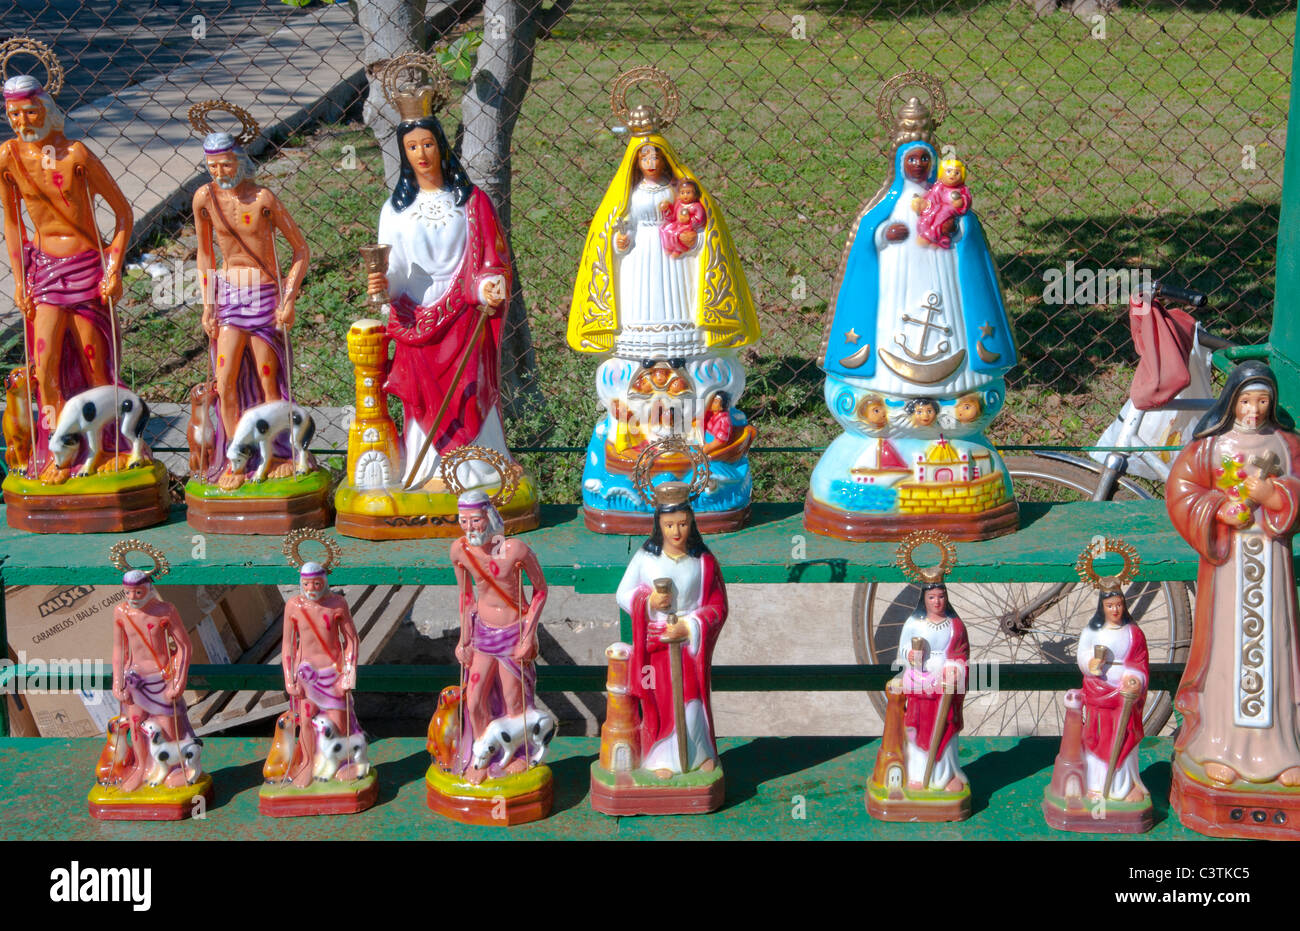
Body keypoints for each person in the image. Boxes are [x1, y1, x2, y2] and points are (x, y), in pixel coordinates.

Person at [1166, 360, 1300, 790]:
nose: (1255, 410)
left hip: (1273, 563)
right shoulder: (1211, 446)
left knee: (1273, 649)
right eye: (1247, 400)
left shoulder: (1286, 443)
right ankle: (1218, 746)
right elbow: (1182, 490)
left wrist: (1275, 495)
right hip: (1229, 566)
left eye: (1263, 400)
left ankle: (1280, 750)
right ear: (1232, 400)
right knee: (1230, 651)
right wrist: (1219, 509)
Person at [367, 103, 512, 489]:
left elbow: (491, 260)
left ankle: (480, 472)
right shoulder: (396, 211)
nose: (422, 155)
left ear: (441, 146)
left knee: (469, 391)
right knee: (422, 399)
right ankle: (429, 471)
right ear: (404, 154)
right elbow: (394, 271)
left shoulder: (470, 202)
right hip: (416, 318)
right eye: (412, 147)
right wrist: (384, 286)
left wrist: (487, 286)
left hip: (466, 313)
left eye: (428, 144)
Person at [1, 71, 133, 479]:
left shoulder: (76, 155)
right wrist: (20, 279)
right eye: (14, 114)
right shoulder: (7, 157)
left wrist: (113, 266)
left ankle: (108, 446)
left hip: (86, 269)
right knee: (46, 368)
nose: (23, 122)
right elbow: (12, 225)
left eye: (31, 111)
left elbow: (123, 212)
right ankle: (60, 451)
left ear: (49, 110)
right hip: (43, 273)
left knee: (96, 366)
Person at [191, 112, 309, 487]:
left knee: (267, 379)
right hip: (228, 298)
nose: (219, 172)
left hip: (263, 297)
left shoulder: (263, 199)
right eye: (212, 166)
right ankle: (235, 459)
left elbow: (301, 250)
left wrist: (288, 299)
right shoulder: (205, 198)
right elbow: (205, 254)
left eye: (225, 164)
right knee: (223, 381)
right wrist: (208, 304)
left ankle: (277, 454)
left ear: (240, 161)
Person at [615, 485, 728, 776]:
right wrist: (648, 601)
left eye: (682, 523)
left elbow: (718, 606)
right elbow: (623, 593)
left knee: (693, 702)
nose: (676, 531)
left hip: (689, 647)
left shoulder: (703, 561)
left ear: (691, 523)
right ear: (659, 525)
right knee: (662, 701)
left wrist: (690, 626)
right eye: (669, 525)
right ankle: (661, 758)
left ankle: (698, 753)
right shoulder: (646, 558)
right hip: (657, 647)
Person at [451, 490, 548, 784]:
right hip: (482, 634)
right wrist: (463, 639)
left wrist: (529, 636)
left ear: (490, 518)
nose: (470, 528)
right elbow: (466, 597)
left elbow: (541, 590)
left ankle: (518, 754)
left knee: (512, 700)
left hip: (512, 633)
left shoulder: (516, 550)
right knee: (474, 699)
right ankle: (482, 755)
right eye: (464, 521)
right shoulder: (460, 551)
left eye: (476, 520)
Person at [111, 570, 199, 791]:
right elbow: (119, 649)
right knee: (136, 724)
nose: (132, 597)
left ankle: (176, 768)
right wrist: (117, 681)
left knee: (169, 727)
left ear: (149, 587)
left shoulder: (165, 611)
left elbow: (184, 646)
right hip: (134, 678)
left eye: (137, 591)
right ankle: (142, 767)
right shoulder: (121, 612)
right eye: (127, 592)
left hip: (161, 679)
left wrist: (178, 681)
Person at [282, 560, 363, 786]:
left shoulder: (338, 604)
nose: (311, 589)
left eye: (317, 583)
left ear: (325, 582)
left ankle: (341, 762)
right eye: (307, 584)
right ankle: (308, 763)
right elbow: (287, 646)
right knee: (306, 720)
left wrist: (349, 675)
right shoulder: (294, 606)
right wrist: (289, 679)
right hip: (306, 675)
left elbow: (352, 640)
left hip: (333, 673)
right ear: (301, 583)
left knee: (338, 722)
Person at [1076, 587, 1149, 801]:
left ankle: (1124, 787)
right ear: (1102, 607)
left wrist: (1135, 680)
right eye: (1110, 605)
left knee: (1124, 735)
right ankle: (1096, 786)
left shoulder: (1133, 632)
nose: (1115, 610)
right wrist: (1091, 663)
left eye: (1119, 605)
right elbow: (1082, 656)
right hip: (1098, 693)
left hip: (1124, 697)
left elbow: (1140, 662)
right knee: (1097, 737)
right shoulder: (1092, 632)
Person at [895, 582, 968, 791]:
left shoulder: (955, 624)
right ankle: (917, 775)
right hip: (920, 683)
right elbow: (902, 649)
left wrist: (956, 668)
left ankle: (945, 776)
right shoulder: (913, 623)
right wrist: (910, 655)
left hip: (945, 686)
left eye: (941, 596)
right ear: (923, 599)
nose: (937, 602)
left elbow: (961, 652)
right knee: (918, 728)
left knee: (945, 725)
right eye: (932, 597)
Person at [659, 178, 706, 257]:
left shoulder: (696, 206)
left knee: (677, 234)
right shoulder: (678, 203)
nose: (685, 195)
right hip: (677, 224)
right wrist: (667, 210)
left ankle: (679, 250)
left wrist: (689, 220)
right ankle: (669, 247)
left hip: (688, 226)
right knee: (666, 229)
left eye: (688, 192)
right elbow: (673, 217)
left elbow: (700, 219)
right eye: (682, 193)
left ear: (695, 194)